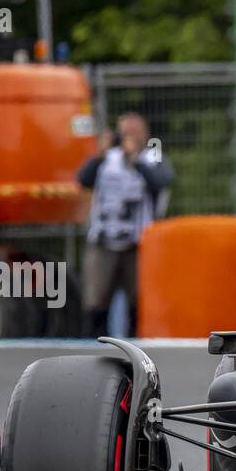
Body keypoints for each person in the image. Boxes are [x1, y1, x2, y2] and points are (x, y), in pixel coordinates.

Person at [77, 112, 174, 337]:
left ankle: (134, 350)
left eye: (132, 133)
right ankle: (92, 350)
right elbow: (83, 179)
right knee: (95, 302)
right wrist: (100, 155)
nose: (126, 137)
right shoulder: (106, 159)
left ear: (144, 135)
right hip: (103, 242)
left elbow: (162, 181)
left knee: (137, 302)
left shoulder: (152, 158)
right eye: (123, 133)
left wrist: (136, 160)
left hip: (137, 244)